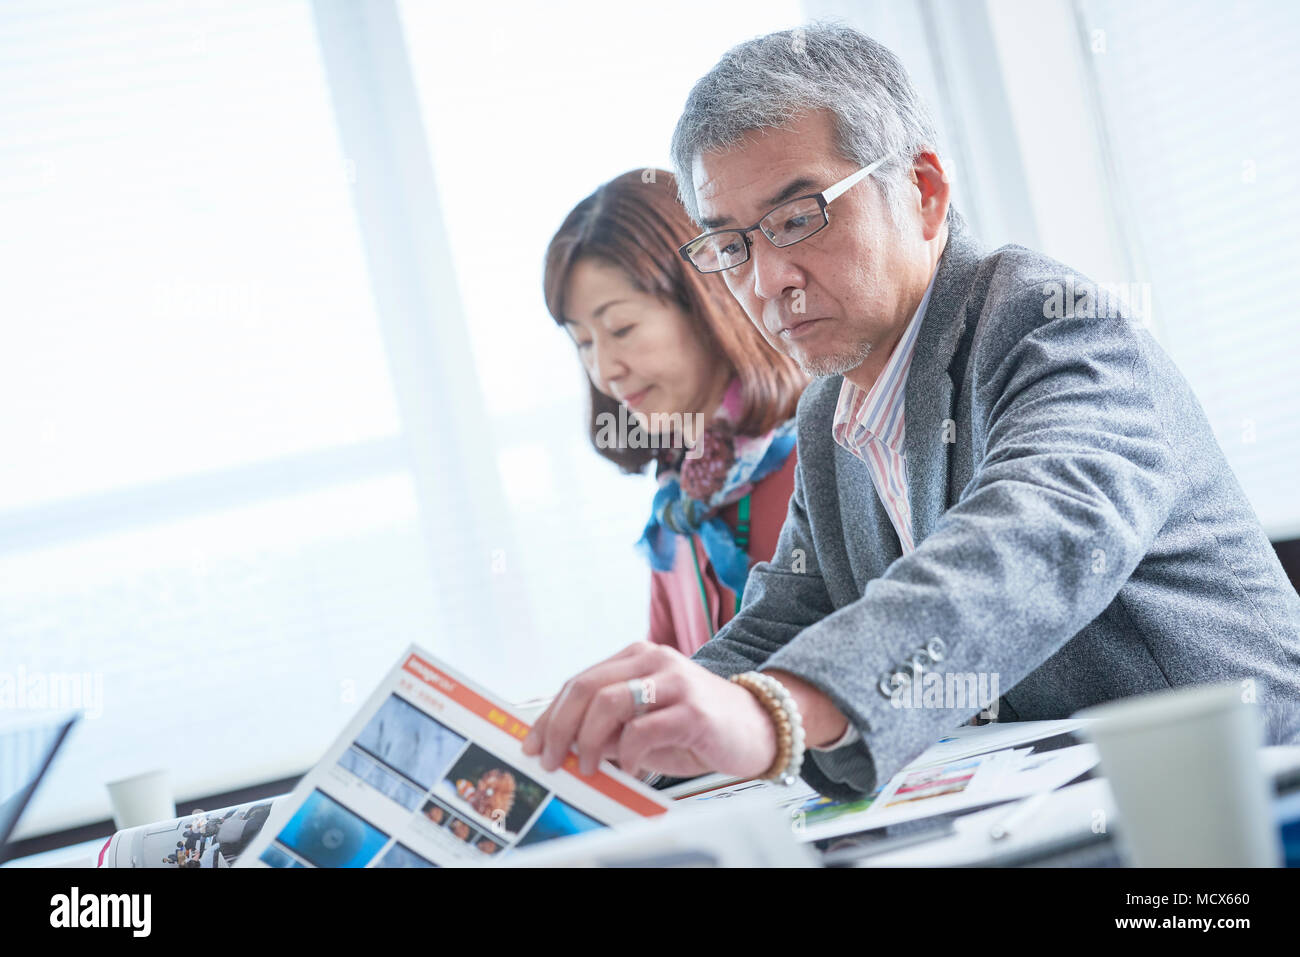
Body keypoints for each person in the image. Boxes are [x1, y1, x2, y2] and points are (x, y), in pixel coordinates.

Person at [522, 23, 1300, 799]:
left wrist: (772, 711)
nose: (767, 279)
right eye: (732, 244)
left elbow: (1028, 544)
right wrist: (619, 746)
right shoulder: (833, 409)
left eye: (797, 219)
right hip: (1057, 810)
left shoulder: (1051, 324)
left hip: (1237, 801)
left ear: (923, 193)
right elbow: (783, 620)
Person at [543, 169, 807, 655]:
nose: (604, 371)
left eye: (621, 328)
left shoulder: (825, 454)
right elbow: (671, 680)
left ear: (707, 301)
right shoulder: (677, 496)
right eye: (583, 342)